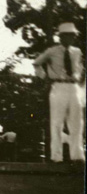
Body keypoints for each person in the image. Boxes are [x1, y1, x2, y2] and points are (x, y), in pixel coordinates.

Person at [32, 21, 85, 163]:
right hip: (58, 87)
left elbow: (79, 67)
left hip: (73, 87)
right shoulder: (52, 51)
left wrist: (79, 79)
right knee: (57, 123)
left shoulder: (77, 52)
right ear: (60, 37)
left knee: (76, 122)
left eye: (72, 36)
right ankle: (56, 156)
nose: (70, 38)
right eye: (66, 35)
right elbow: (36, 63)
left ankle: (77, 155)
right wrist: (45, 77)